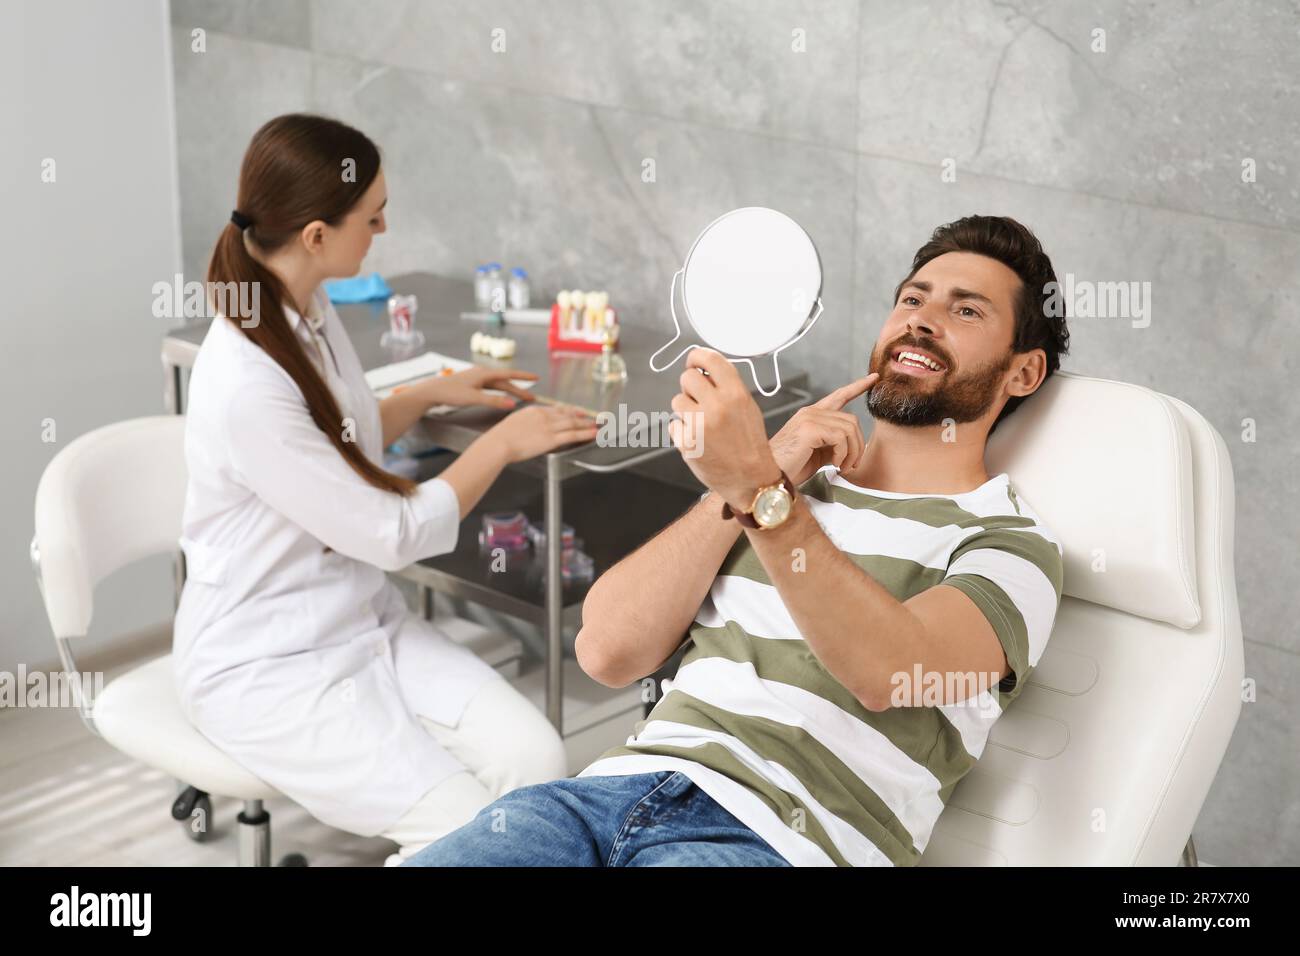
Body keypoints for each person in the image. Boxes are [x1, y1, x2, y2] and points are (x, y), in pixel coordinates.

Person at [402, 215, 1068, 866]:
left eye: (967, 311)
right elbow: (606, 650)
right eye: (911, 299)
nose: (921, 319)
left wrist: (760, 491)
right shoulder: (785, 485)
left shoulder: (1009, 546)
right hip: (601, 798)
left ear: (1024, 373)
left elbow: (887, 672)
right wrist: (750, 482)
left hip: (775, 841)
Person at [172, 113, 599, 865]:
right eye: (372, 217)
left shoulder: (302, 304)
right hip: (266, 663)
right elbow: (388, 532)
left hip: (363, 624)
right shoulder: (245, 381)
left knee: (537, 764)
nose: (384, 227)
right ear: (315, 235)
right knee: (464, 826)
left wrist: (436, 390)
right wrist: (503, 443)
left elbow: (341, 429)